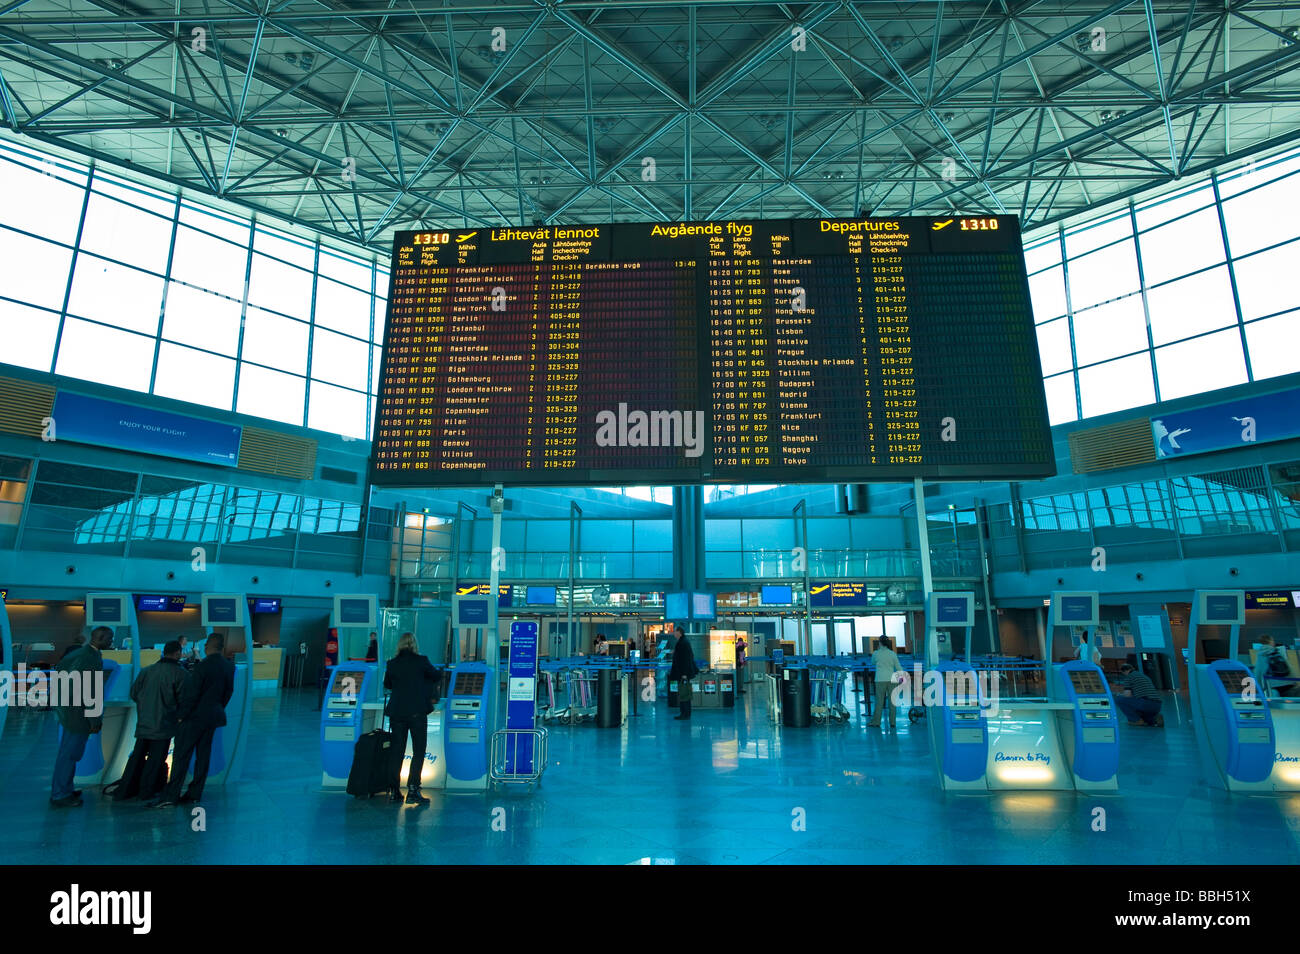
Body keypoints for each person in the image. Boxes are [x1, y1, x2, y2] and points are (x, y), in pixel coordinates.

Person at [150, 633, 235, 807]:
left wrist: (181, 716)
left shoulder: (202, 666)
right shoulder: (229, 666)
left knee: (182, 755)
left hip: (194, 718)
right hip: (213, 717)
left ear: (208, 646)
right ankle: (195, 793)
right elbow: (228, 692)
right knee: (203, 756)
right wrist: (216, 708)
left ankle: (170, 795)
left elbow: (192, 694)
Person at [50, 626, 113, 808]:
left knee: (68, 754)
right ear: (100, 638)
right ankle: (60, 794)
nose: (111, 642)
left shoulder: (81, 654)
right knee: (69, 755)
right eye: (110, 639)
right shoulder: (89, 658)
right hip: (76, 715)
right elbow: (90, 692)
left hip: (69, 711)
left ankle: (65, 789)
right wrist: (95, 720)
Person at [124, 640, 187, 800]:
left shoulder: (146, 671)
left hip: (144, 723)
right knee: (155, 760)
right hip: (163, 725)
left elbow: (134, 693)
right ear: (178, 653)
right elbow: (184, 700)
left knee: (137, 757)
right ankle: (146, 791)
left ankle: (125, 789)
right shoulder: (180, 674)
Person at [384, 632, 441, 805]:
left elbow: (387, 684)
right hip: (416, 712)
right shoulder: (421, 661)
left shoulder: (392, 663)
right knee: (418, 752)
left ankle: (394, 791)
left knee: (397, 752)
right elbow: (436, 676)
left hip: (397, 713)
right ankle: (413, 790)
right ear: (415, 644)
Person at [867, 635, 903, 728]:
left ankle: (876, 722)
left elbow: (872, 662)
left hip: (880, 679)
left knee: (879, 701)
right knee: (892, 701)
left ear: (880, 643)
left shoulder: (876, 653)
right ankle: (892, 722)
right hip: (892, 679)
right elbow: (898, 666)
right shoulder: (892, 654)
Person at [1114, 663, 1164, 727]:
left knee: (1119, 699)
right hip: (1157, 705)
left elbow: (1127, 695)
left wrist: (1119, 694)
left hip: (1145, 703)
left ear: (1124, 671)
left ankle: (1136, 720)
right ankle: (1154, 719)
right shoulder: (1144, 676)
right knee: (1145, 718)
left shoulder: (1129, 677)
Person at [669, 626, 699, 720]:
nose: (674, 633)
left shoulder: (682, 643)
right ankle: (686, 713)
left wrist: (684, 673)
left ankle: (684, 713)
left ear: (679, 632)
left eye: (675, 632)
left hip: (683, 673)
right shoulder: (683, 642)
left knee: (684, 693)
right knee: (685, 692)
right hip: (683, 672)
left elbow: (685, 659)